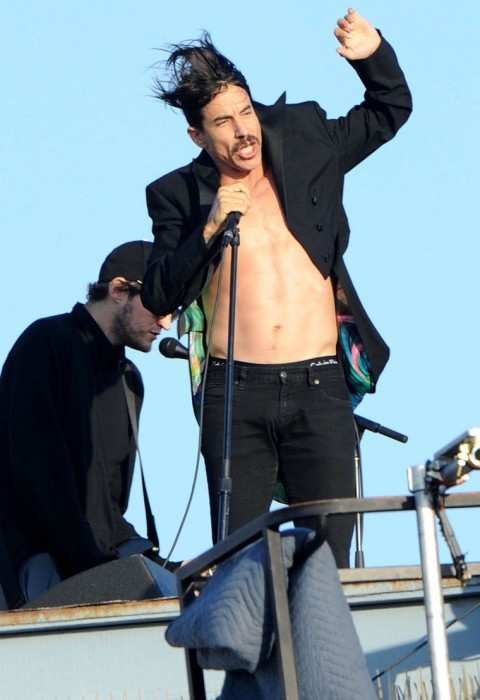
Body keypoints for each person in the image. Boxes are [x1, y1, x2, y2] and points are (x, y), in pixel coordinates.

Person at [141, 9, 412, 567]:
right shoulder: (177, 195)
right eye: (222, 122)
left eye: (246, 112)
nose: (243, 131)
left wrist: (372, 54)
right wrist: (211, 227)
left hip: (319, 380)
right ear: (196, 133)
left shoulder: (307, 141)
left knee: (329, 559)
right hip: (235, 392)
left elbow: (390, 111)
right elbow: (158, 293)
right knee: (239, 565)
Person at [0, 241, 175, 606]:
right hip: (39, 557)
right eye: (159, 304)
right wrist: (88, 559)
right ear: (117, 289)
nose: (166, 322)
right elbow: (35, 472)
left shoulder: (129, 379)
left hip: (103, 557)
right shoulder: (45, 343)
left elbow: (110, 504)